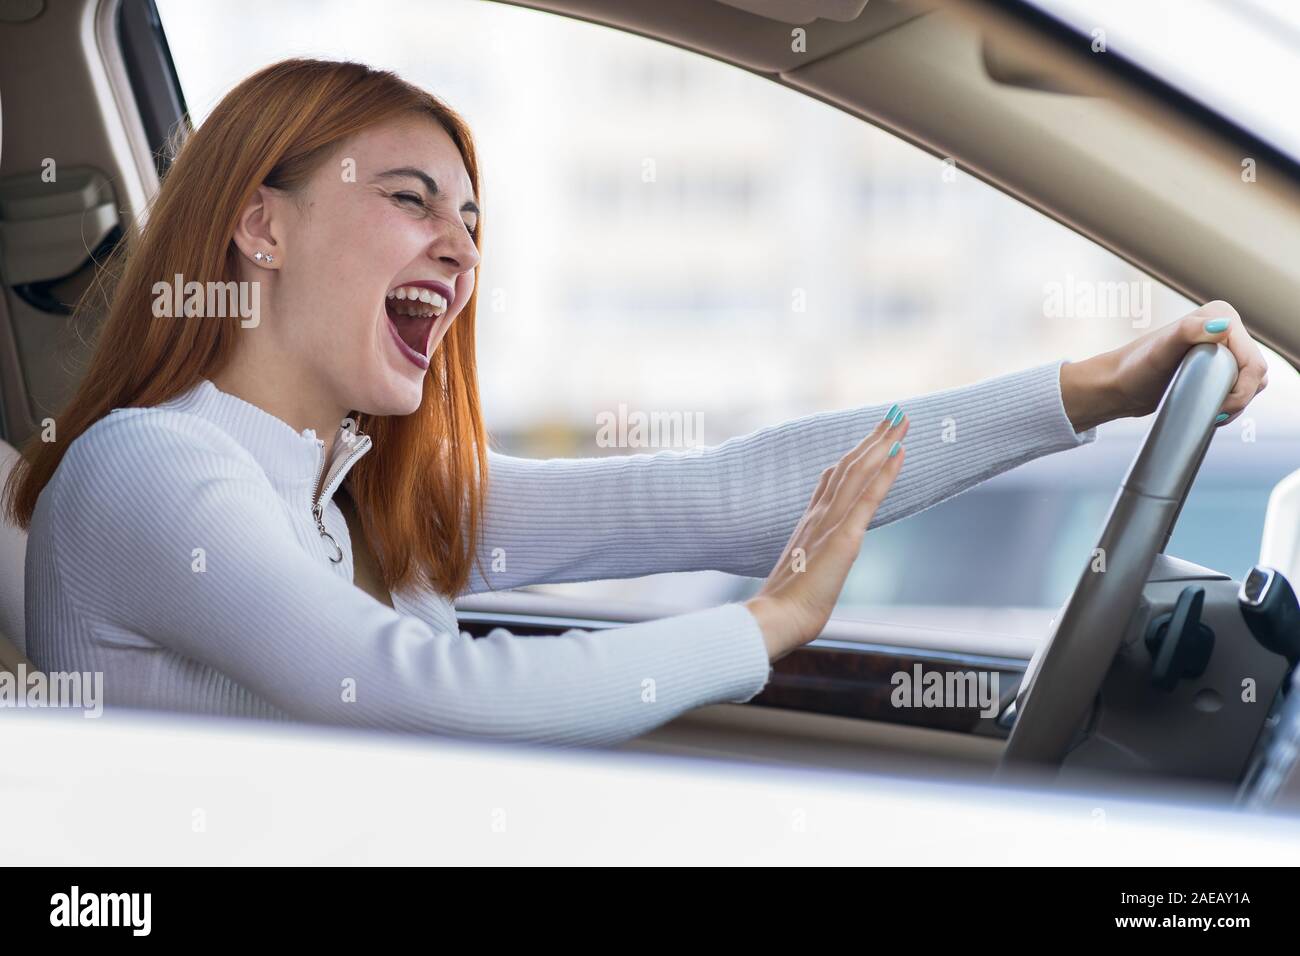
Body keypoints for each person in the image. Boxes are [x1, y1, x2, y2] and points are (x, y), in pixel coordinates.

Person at [3, 59, 1268, 746]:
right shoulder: (149, 473)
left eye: (472, 218)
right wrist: (764, 628)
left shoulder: (350, 487)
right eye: (408, 198)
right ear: (258, 227)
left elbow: (720, 492)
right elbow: (427, 695)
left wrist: (1095, 389)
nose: (460, 247)